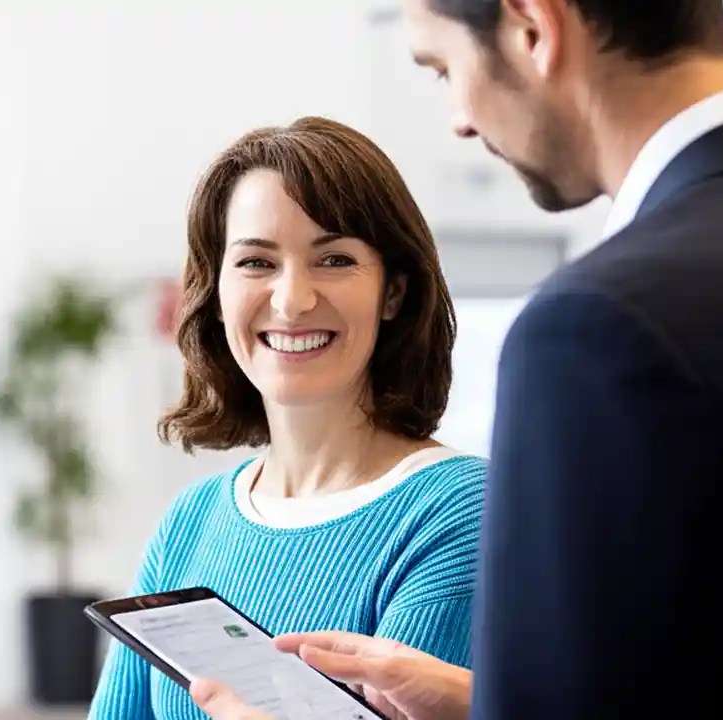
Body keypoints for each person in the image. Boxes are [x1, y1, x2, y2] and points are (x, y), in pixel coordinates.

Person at [190, 1, 723, 719]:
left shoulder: (600, 323)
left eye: (444, 69)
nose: (460, 120)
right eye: (254, 263)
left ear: (533, 28)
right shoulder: (197, 516)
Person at [87, 116, 487, 719]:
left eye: (334, 260)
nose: (292, 299)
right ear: (216, 293)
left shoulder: (459, 513)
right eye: (255, 262)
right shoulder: (191, 521)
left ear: (394, 293)